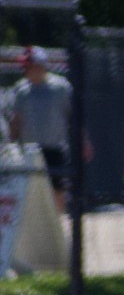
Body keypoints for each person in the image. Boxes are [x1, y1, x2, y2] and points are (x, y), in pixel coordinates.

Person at [6, 47, 84, 212]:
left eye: (28, 65)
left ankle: (59, 231)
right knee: (28, 192)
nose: (24, 69)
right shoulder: (21, 90)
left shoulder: (61, 88)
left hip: (54, 149)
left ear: (40, 65)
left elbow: (74, 118)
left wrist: (84, 141)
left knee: (57, 191)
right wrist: (11, 147)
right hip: (29, 151)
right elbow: (16, 121)